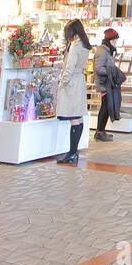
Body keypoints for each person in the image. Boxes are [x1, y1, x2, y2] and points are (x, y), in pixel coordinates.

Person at [55, 20, 92, 164]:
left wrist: (63, 82)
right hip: (79, 81)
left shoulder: (75, 46)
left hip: (71, 83)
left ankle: (71, 153)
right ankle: (73, 152)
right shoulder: (84, 45)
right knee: (78, 117)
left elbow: (69, 67)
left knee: (74, 118)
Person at [92, 28, 125, 141]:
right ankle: (100, 131)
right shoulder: (102, 51)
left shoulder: (108, 50)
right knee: (106, 106)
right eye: (114, 40)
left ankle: (101, 131)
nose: (115, 42)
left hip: (107, 83)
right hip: (104, 83)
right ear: (109, 40)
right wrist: (111, 71)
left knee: (106, 106)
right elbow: (98, 68)